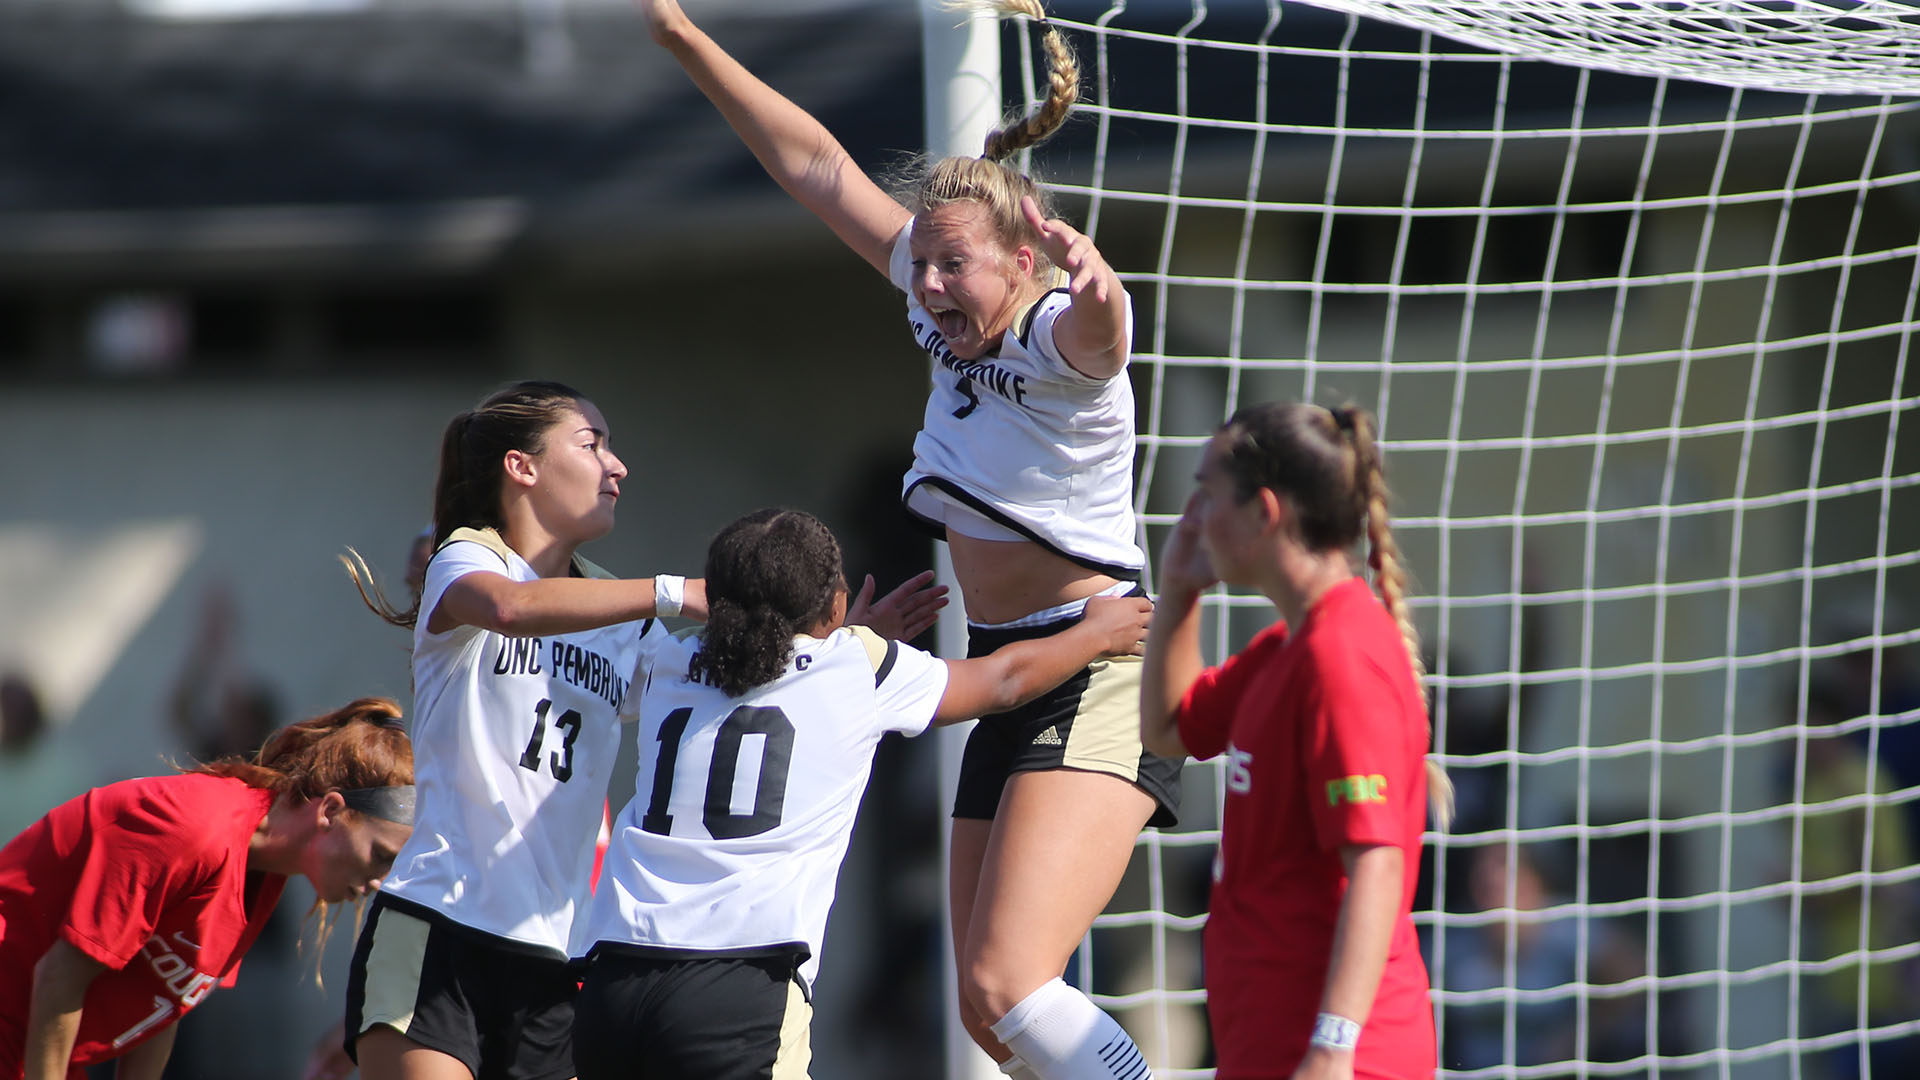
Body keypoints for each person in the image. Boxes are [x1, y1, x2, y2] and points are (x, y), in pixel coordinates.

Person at [640, 3, 1179, 1076]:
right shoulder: (939, 304)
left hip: (1099, 661)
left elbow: (1101, 335)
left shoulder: (1054, 332)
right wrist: (683, 38)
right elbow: (815, 166)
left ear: (1025, 255)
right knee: (988, 1017)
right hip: (1008, 673)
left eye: (953, 267)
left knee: (1001, 983)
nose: (928, 288)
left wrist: (1106, 294)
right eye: (919, 264)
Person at [337, 380, 943, 1080]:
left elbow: (726, 688)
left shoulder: (618, 620)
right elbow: (508, 608)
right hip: (440, 926)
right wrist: (670, 592)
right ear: (521, 467)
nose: (616, 465)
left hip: (555, 956)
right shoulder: (470, 560)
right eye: (591, 444)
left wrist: (841, 648)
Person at [571, 508, 1153, 1080]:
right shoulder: (858, 665)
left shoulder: (671, 659)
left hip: (613, 979)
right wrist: (1094, 633)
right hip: (740, 983)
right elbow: (1004, 681)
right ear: (835, 607)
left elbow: (767, 666)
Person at [1139, 402, 1452, 1080]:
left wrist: (1333, 1048)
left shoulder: (1340, 659)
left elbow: (1378, 864)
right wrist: (1178, 592)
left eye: (1208, 492)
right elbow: (1168, 729)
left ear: (1265, 512)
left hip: (1343, 1063)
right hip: (1274, 1052)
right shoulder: (1285, 648)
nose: (1192, 515)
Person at [0, 697, 415, 1080]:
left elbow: (162, 1005)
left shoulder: (265, 870)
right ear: (330, 811)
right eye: (381, 855)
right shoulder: (194, 827)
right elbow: (58, 977)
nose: (380, 882)